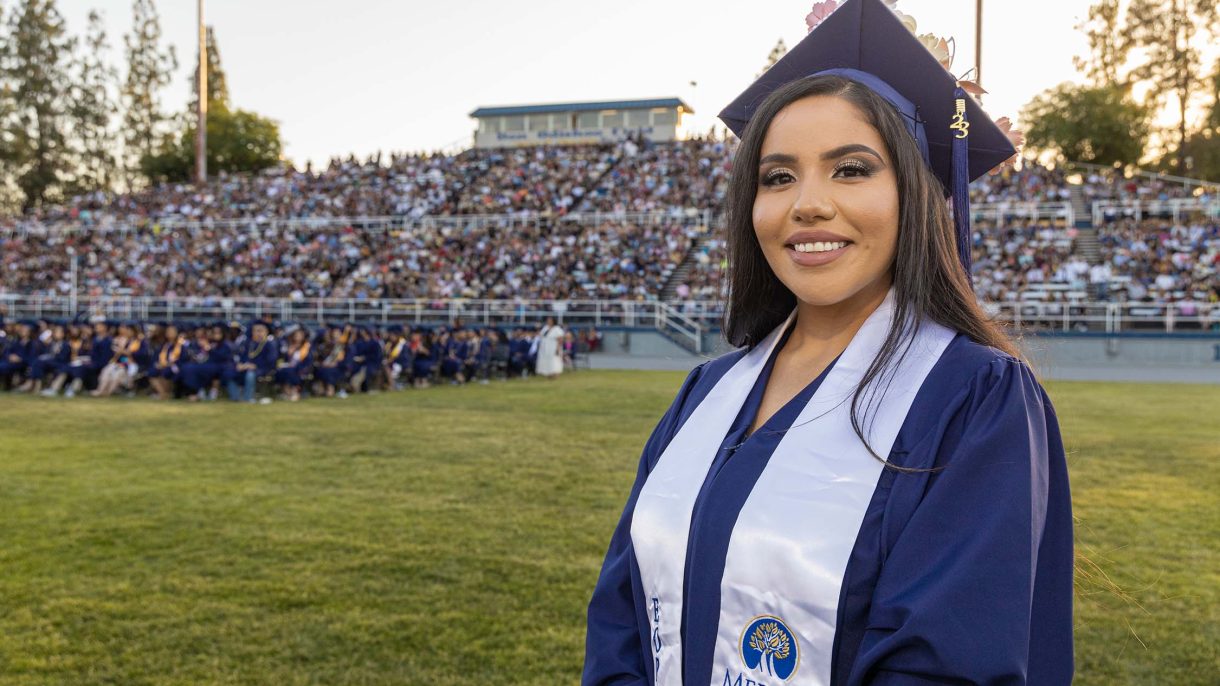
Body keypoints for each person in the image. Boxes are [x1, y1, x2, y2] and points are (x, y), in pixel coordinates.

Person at [582, 2, 1073, 685]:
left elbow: (946, 664)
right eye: (778, 177)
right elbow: (623, 616)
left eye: (851, 169)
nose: (806, 203)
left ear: (915, 194)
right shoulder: (707, 392)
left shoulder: (973, 401)